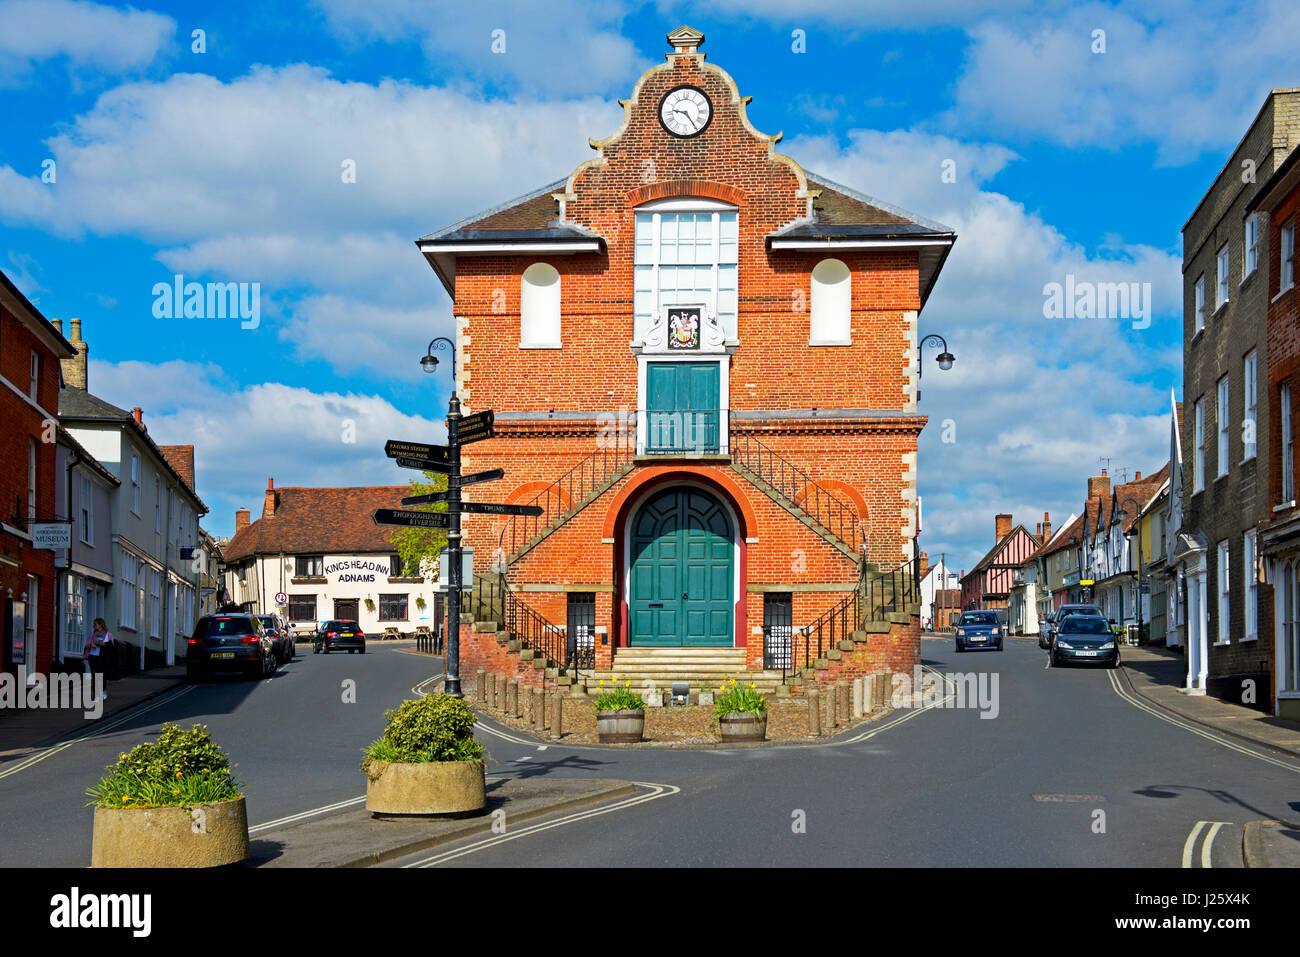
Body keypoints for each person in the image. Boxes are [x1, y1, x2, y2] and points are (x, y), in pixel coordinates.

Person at [87, 618, 114, 700]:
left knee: (102, 676)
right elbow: (86, 644)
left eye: (95, 624)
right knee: (94, 676)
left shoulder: (108, 635)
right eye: (93, 624)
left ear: (100, 625)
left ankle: (103, 691)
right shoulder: (92, 634)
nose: (93, 626)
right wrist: (90, 645)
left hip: (103, 658)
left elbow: (112, 647)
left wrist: (104, 644)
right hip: (92, 656)